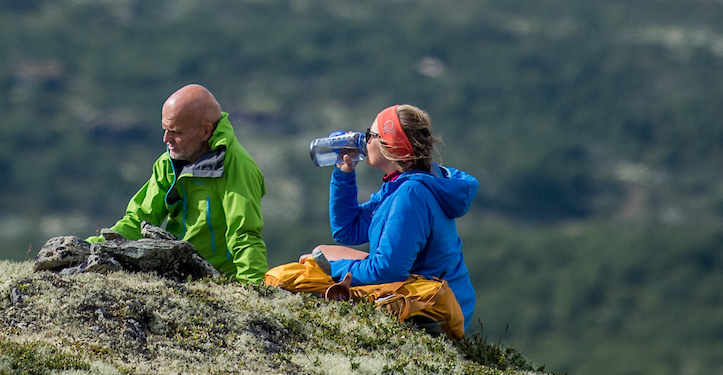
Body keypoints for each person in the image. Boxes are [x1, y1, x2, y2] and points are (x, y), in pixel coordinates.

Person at [310, 104, 477, 330]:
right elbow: (347, 230)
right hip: (428, 289)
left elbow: (388, 270)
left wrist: (333, 270)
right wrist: (343, 175)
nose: (363, 139)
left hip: (434, 308)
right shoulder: (400, 184)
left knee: (313, 267)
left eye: (371, 134)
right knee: (320, 253)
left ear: (393, 148)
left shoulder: (410, 195)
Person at [102, 83, 269, 283]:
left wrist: (251, 294)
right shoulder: (168, 163)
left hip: (219, 283)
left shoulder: (237, 168)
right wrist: (91, 247)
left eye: (176, 132)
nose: (166, 139)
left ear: (206, 131)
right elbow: (137, 221)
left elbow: (245, 237)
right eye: (165, 129)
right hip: (173, 277)